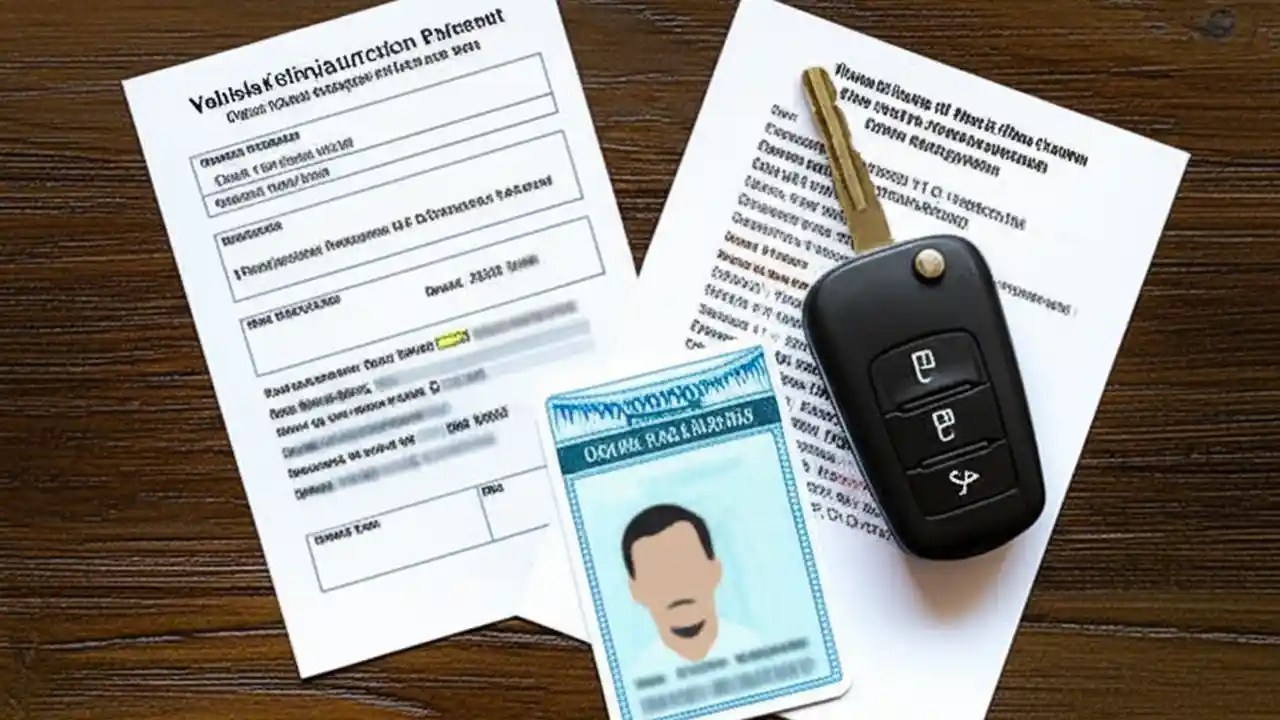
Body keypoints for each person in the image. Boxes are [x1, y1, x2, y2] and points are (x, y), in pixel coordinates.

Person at [622, 504, 759, 675]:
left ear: (715, 571)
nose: (675, 585)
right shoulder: (639, 674)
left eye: (686, 565)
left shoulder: (754, 647)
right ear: (636, 590)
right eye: (656, 573)